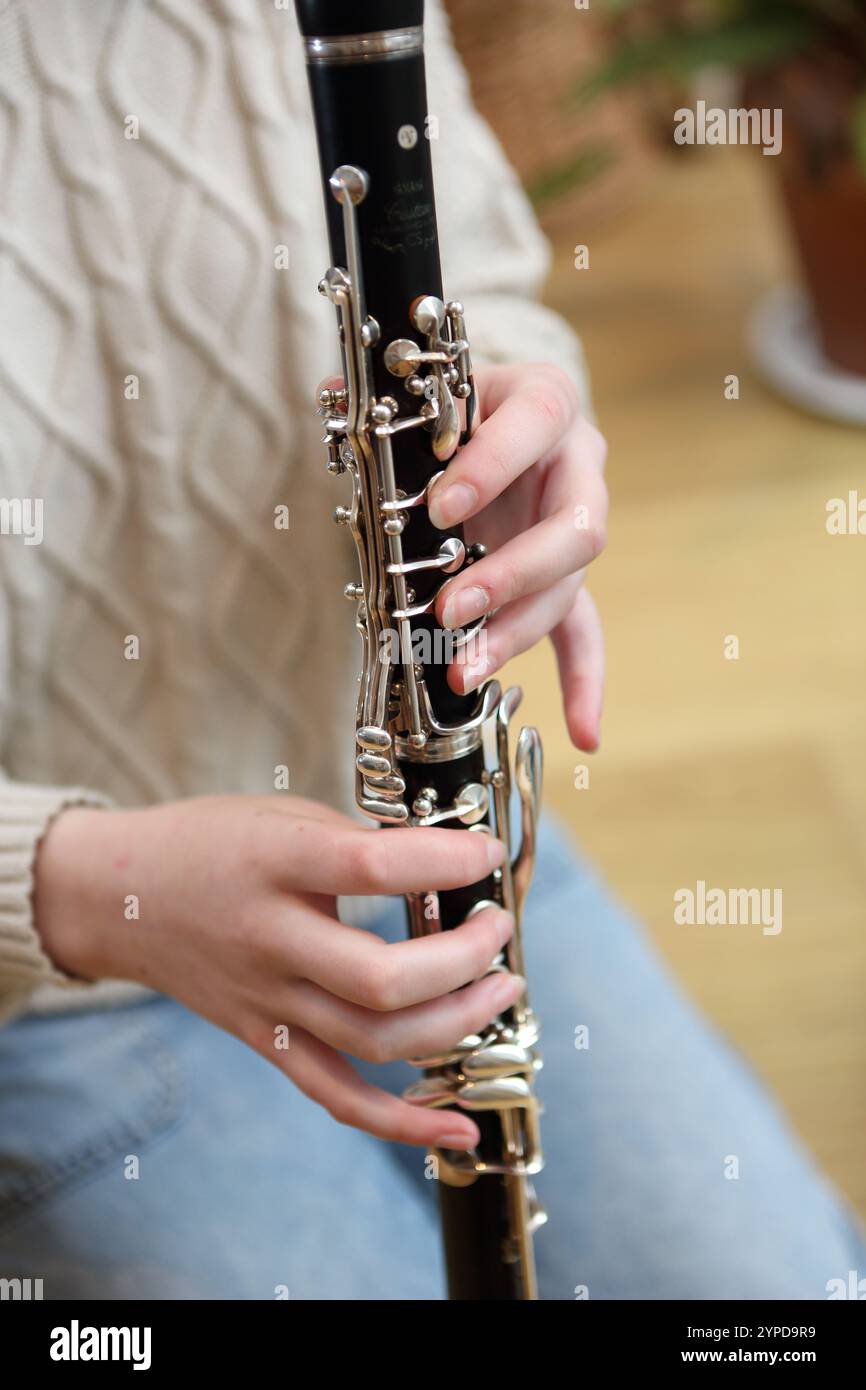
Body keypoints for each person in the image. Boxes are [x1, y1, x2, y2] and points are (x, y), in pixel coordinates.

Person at [0, 0, 862, 1301]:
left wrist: (519, 415)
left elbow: (476, 284)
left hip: (411, 834)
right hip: (47, 997)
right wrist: (67, 883)